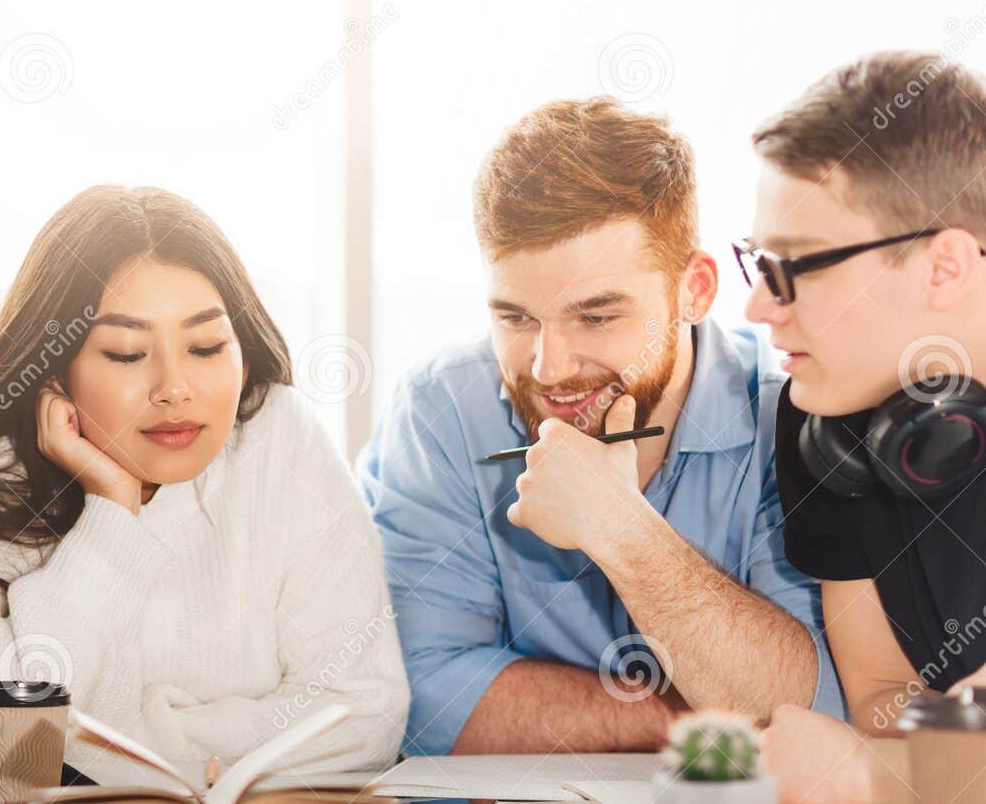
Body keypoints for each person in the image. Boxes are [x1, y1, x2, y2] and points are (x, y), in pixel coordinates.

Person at [358, 97, 842, 758]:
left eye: (596, 317)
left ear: (694, 290)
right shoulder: (442, 411)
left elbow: (821, 707)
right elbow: (416, 696)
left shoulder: (793, 414)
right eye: (516, 317)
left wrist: (622, 530)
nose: (548, 368)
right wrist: (697, 716)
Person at [0, 186, 408, 780]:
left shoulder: (279, 432)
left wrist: (137, 742)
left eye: (206, 346)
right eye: (126, 353)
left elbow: (367, 714)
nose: (175, 387)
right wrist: (110, 519)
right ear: (54, 370)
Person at [749, 52, 986, 804]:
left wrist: (865, 776)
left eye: (797, 267)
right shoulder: (827, 421)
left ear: (942, 267)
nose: (758, 306)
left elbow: (878, 744)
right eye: (758, 263)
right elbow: (881, 697)